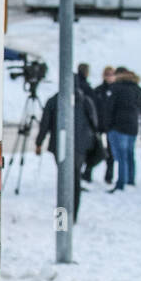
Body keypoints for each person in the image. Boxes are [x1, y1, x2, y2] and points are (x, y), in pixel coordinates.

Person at [35, 80, 98, 222]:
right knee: (75, 181)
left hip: (61, 147)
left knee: (64, 181)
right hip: (80, 148)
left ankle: (63, 219)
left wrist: (39, 143)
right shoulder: (85, 100)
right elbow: (95, 123)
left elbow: (44, 124)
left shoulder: (54, 101)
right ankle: (72, 216)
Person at [106, 67, 141, 192]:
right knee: (129, 154)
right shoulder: (137, 89)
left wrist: (108, 125)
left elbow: (109, 107)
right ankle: (130, 180)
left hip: (118, 126)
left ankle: (121, 183)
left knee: (121, 156)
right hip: (133, 126)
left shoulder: (116, 88)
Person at [76, 63, 100, 182]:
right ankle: (81, 177)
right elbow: (92, 110)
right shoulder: (86, 89)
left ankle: (78, 178)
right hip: (84, 128)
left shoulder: (76, 85)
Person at [93, 66, 116, 184]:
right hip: (99, 125)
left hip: (112, 126)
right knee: (96, 150)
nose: (109, 76)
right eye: (107, 74)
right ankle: (88, 172)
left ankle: (109, 175)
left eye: (111, 74)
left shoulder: (117, 90)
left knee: (111, 153)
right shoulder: (98, 90)